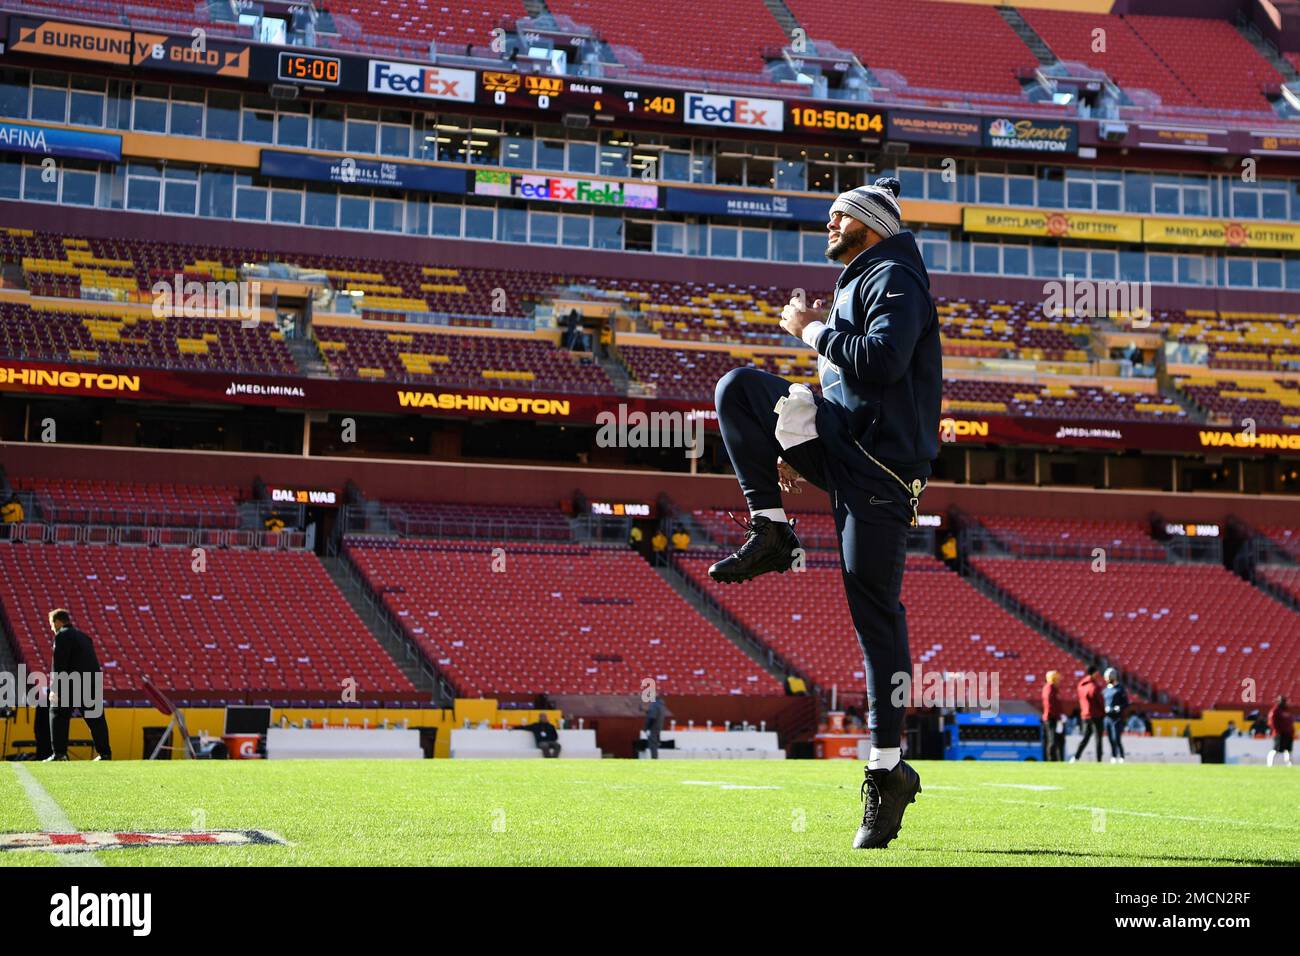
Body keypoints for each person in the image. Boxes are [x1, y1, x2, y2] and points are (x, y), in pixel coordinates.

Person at [707, 176, 941, 849]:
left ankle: (886, 769)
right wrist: (797, 432)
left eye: (837, 218)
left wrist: (810, 329)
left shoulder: (895, 273)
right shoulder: (865, 279)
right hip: (849, 448)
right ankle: (772, 529)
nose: (827, 228)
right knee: (741, 393)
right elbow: (854, 384)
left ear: (868, 222)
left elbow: (884, 361)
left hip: (881, 475)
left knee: (875, 616)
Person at [45, 609, 111, 761]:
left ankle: (60, 754)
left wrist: (56, 689)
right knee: (96, 720)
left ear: (58, 622)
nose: (52, 628)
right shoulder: (85, 637)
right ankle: (105, 754)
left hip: (70, 683)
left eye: (51, 624)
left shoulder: (62, 635)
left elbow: (60, 664)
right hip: (89, 683)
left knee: (58, 715)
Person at [1070, 666, 1104, 763]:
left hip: (1085, 715)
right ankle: (1099, 760)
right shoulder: (1093, 686)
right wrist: (1103, 711)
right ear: (1093, 673)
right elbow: (1099, 701)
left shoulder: (1081, 685)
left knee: (1085, 738)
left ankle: (1076, 757)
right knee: (1098, 739)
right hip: (1096, 715)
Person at [1102, 667, 1129, 763]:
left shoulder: (1120, 689)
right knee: (1110, 739)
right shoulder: (1105, 690)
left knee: (1116, 738)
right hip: (1108, 717)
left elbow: (1126, 703)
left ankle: (1121, 756)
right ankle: (1113, 756)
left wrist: (1119, 708)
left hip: (1117, 718)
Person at [1041, 670, 1063, 761]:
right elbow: (1051, 705)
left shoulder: (1053, 689)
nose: (1059, 681)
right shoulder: (1049, 688)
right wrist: (1058, 717)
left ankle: (1055, 759)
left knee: (1056, 740)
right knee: (1052, 740)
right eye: (1057, 679)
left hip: (1053, 717)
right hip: (1051, 718)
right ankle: (1051, 760)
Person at [1267, 697, 1292, 766]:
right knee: (1276, 749)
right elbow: (1272, 722)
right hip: (1279, 733)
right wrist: (1277, 730)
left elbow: (1290, 722)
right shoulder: (1275, 710)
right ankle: (1270, 764)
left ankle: (1289, 764)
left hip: (1288, 733)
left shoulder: (1287, 710)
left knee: (1288, 750)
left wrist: (1291, 731)